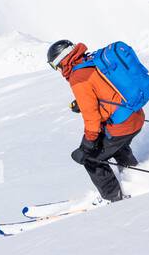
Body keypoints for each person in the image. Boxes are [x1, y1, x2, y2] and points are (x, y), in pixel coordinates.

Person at [47, 39, 142, 202]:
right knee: (115, 145)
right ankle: (136, 179)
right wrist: (83, 103)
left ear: (62, 60)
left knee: (92, 158)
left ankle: (115, 199)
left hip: (121, 125)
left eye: (55, 65)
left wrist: (86, 147)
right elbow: (103, 88)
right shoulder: (89, 60)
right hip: (135, 115)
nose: (57, 70)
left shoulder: (78, 77)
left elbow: (92, 120)